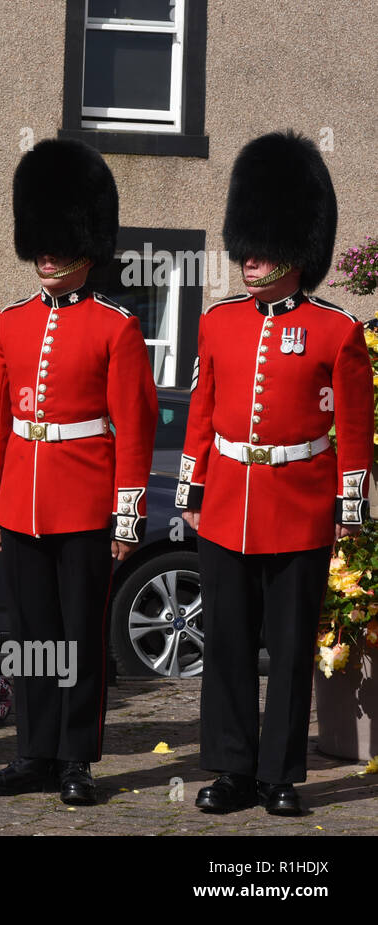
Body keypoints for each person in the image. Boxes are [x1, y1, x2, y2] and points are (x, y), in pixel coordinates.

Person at [177, 131, 373, 816]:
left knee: (289, 650)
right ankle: (231, 769)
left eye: (263, 245)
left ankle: (279, 775)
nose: (250, 258)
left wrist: (348, 507)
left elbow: (352, 430)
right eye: (247, 244)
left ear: (296, 249)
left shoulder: (334, 330)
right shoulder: (219, 323)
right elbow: (202, 412)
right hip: (229, 501)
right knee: (228, 644)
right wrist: (192, 491)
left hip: (298, 505)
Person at [0, 138, 158, 805]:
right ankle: (34, 751)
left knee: (78, 637)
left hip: (84, 503)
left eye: (59, 241)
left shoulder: (116, 327)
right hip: (22, 500)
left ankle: (77, 757)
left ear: (86, 246)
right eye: (41, 242)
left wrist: (128, 514)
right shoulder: (9, 322)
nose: (47, 255)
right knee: (30, 637)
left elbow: (135, 427)